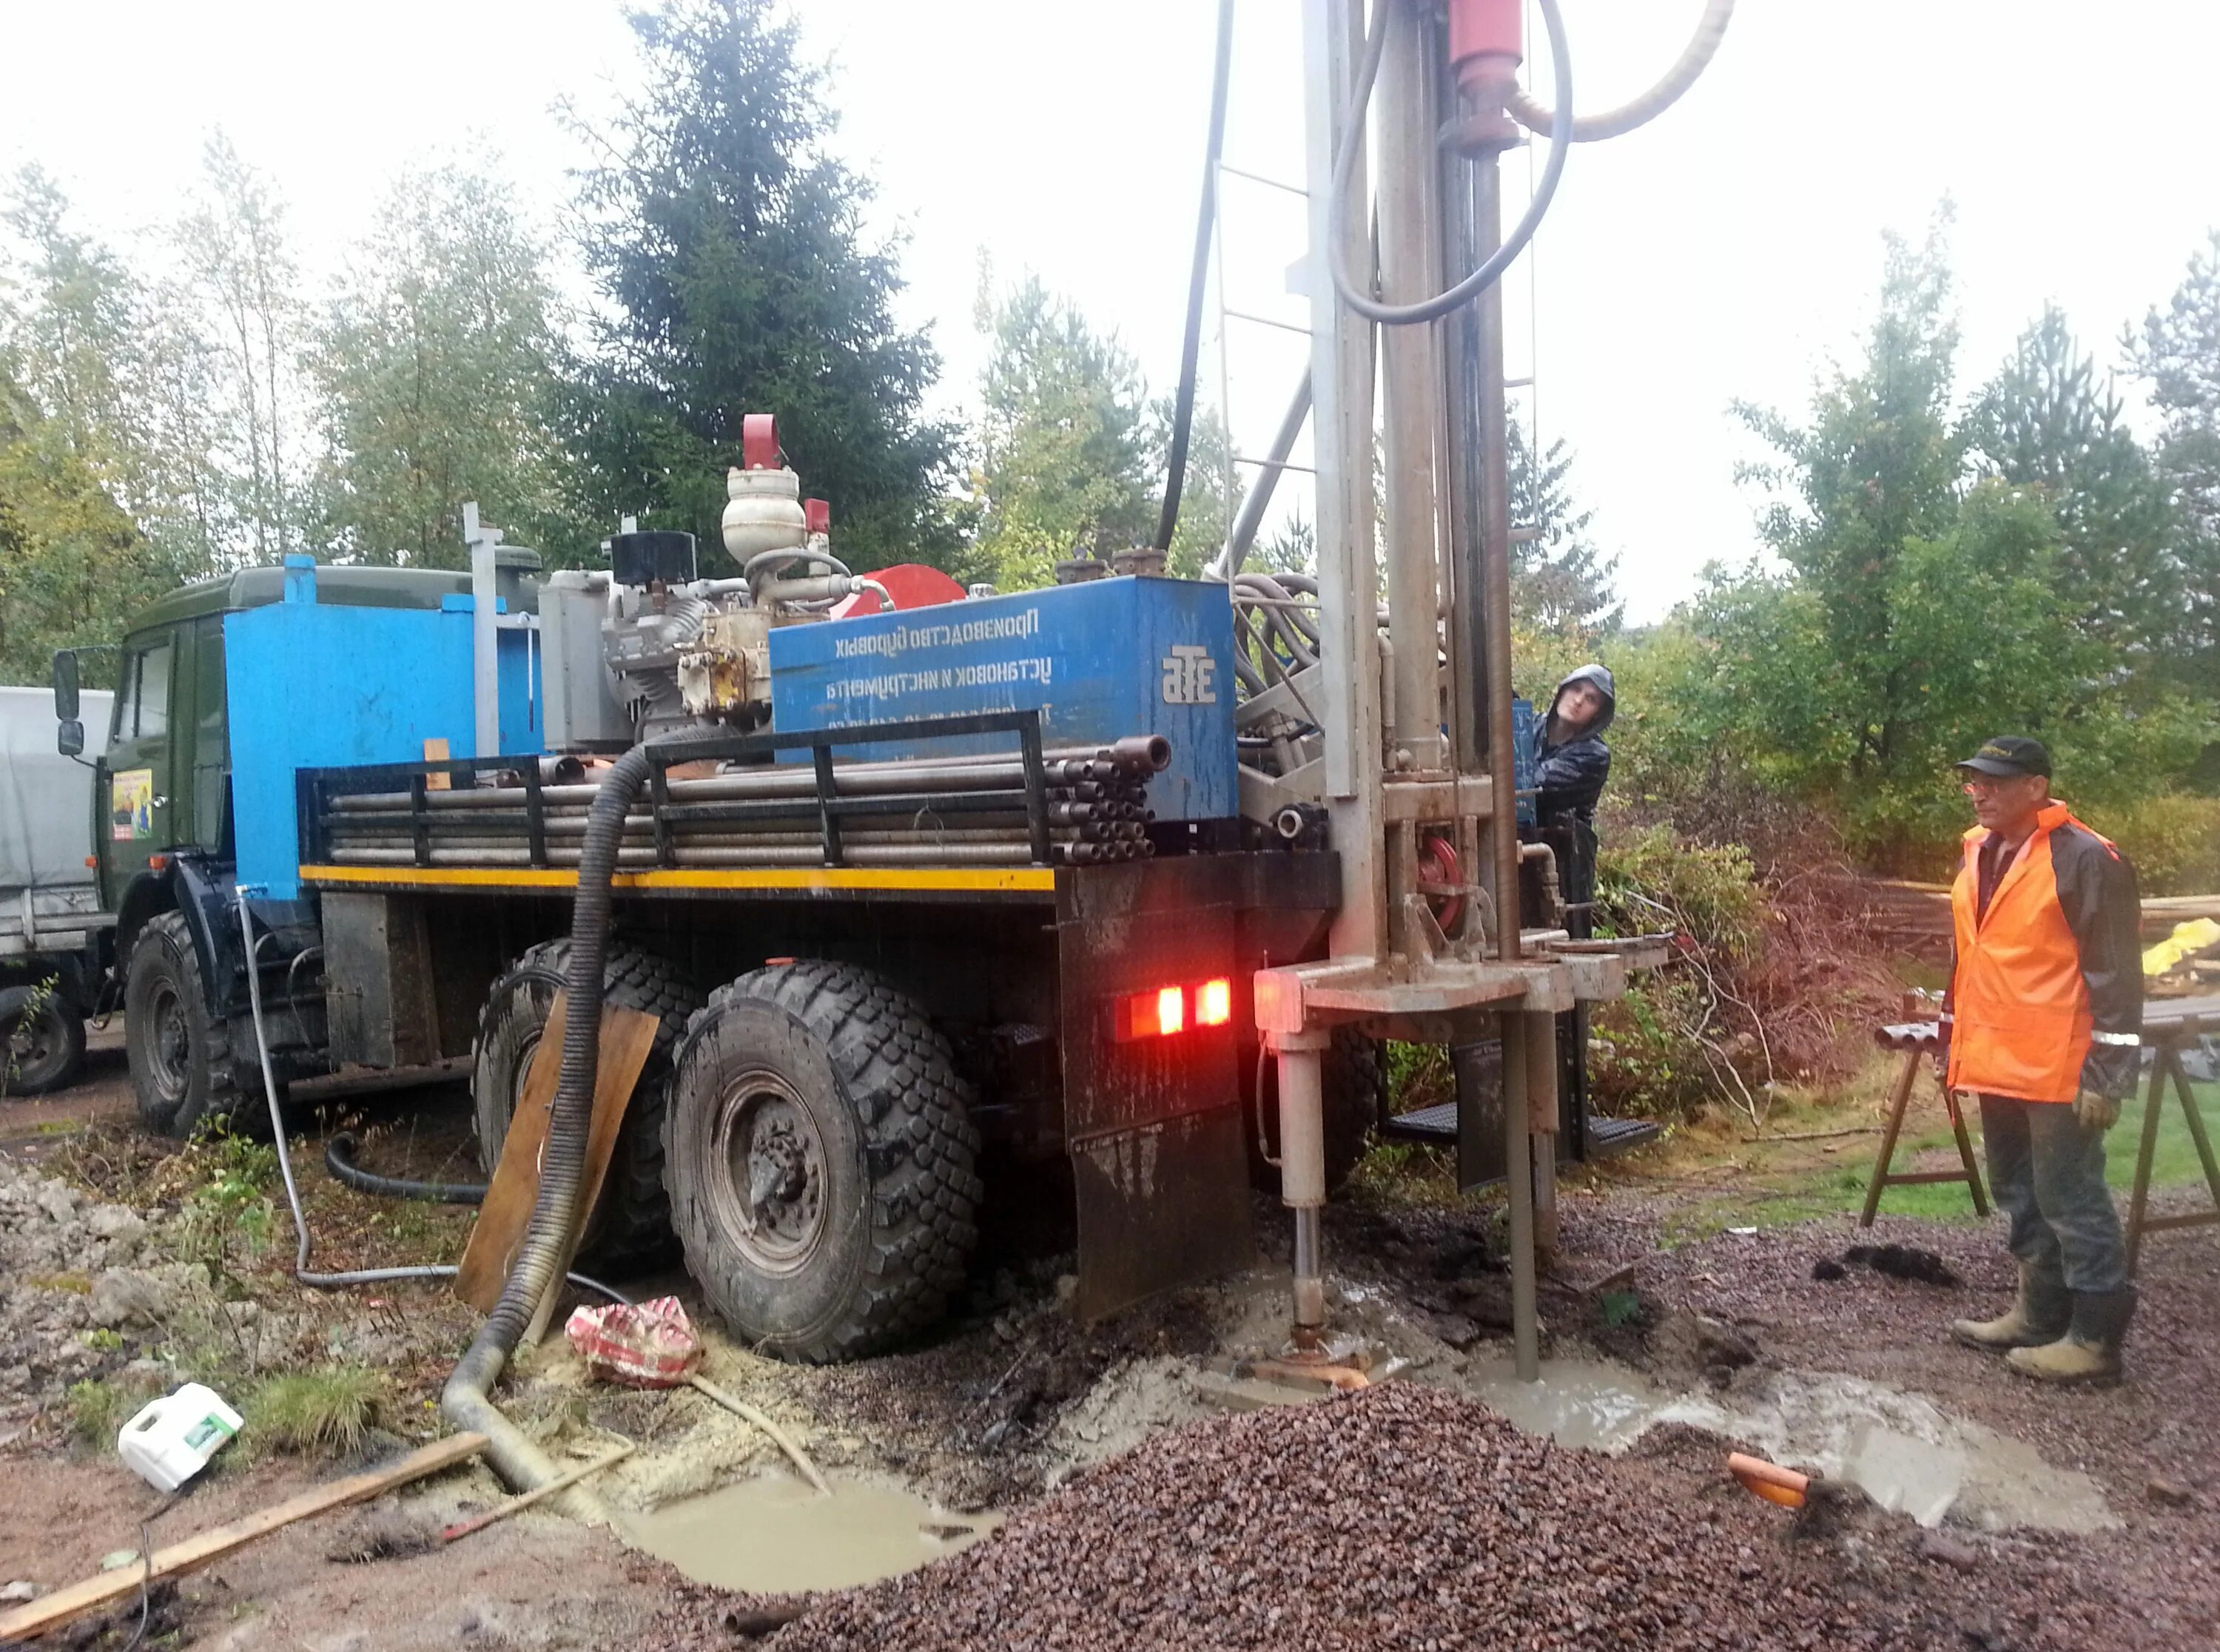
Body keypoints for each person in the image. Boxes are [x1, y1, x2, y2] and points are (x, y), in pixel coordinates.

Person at [1942, 737, 2142, 1384]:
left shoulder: (2087, 858)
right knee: (2020, 1193)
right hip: (1998, 1059)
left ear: (2037, 787)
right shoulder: (1979, 849)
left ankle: (2092, 1341)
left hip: (2061, 1064)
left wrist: (2109, 1073)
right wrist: (1955, 1040)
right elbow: (1975, 955)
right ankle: (2038, 1315)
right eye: (1975, 781)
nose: (1980, 791)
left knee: (2070, 1196)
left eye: (1996, 782)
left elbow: (2117, 975)